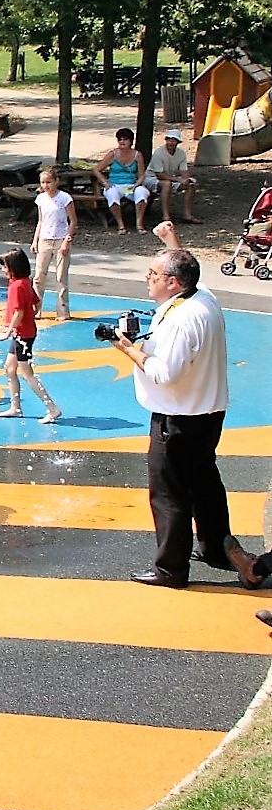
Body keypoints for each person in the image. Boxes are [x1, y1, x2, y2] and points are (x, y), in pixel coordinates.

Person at [109, 222, 231, 587]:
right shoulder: (202, 298)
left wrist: (126, 347)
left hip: (177, 419)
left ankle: (171, 569)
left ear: (174, 283)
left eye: (154, 274)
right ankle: (215, 547)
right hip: (207, 412)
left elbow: (165, 373)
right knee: (205, 483)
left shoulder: (181, 320)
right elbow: (192, 274)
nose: (148, 278)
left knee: (168, 494)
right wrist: (171, 243)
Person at [0, 249, 62, 424]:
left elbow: (19, 312)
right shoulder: (23, 282)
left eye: (5, 267)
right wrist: (31, 316)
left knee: (27, 373)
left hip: (22, 335)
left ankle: (52, 408)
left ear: (13, 267)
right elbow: (36, 302)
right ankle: (15, 407)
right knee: (9, 370)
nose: (3, 270)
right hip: (24, 333)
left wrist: (9, 331)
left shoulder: (17, 286)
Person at [32, 168, 77, 320]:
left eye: (49, 182)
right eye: (43, 182)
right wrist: (35, 240)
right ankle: (36, 309)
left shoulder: (65, 198)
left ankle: (63, 311)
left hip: (60, 239)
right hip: (45, 239)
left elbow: (73, 221)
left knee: (61, 277)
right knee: (39, 276)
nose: (46, 185)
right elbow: (40, 221)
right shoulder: (41, 199)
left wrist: (66, 240)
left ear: (56, 181)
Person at [93, 127, 151, 234]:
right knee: (112, 194)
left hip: (130, 185)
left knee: (141, 192)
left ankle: (139, 224)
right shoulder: (113, 154)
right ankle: (120, 225)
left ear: (130, 141)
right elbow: (97, 169)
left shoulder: (137, 155)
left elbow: (142, 175)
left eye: (125, 139)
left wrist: (136, 185)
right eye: (120, 139)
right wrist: (105, 183)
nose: (122, 142)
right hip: (115, 185)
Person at [145, 129, 200, 224]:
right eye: (169, 140)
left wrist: (186, 179)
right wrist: (178, 179)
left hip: (169, 177)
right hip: (151, 178)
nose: (171, 142)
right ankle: (166, 216)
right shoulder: (159, 153)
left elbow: (184, 170)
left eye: (173, 140)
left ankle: (187, 214)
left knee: (191, 185)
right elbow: (159, 174)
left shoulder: (181, 153)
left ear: (178, 142)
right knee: (167, 184)